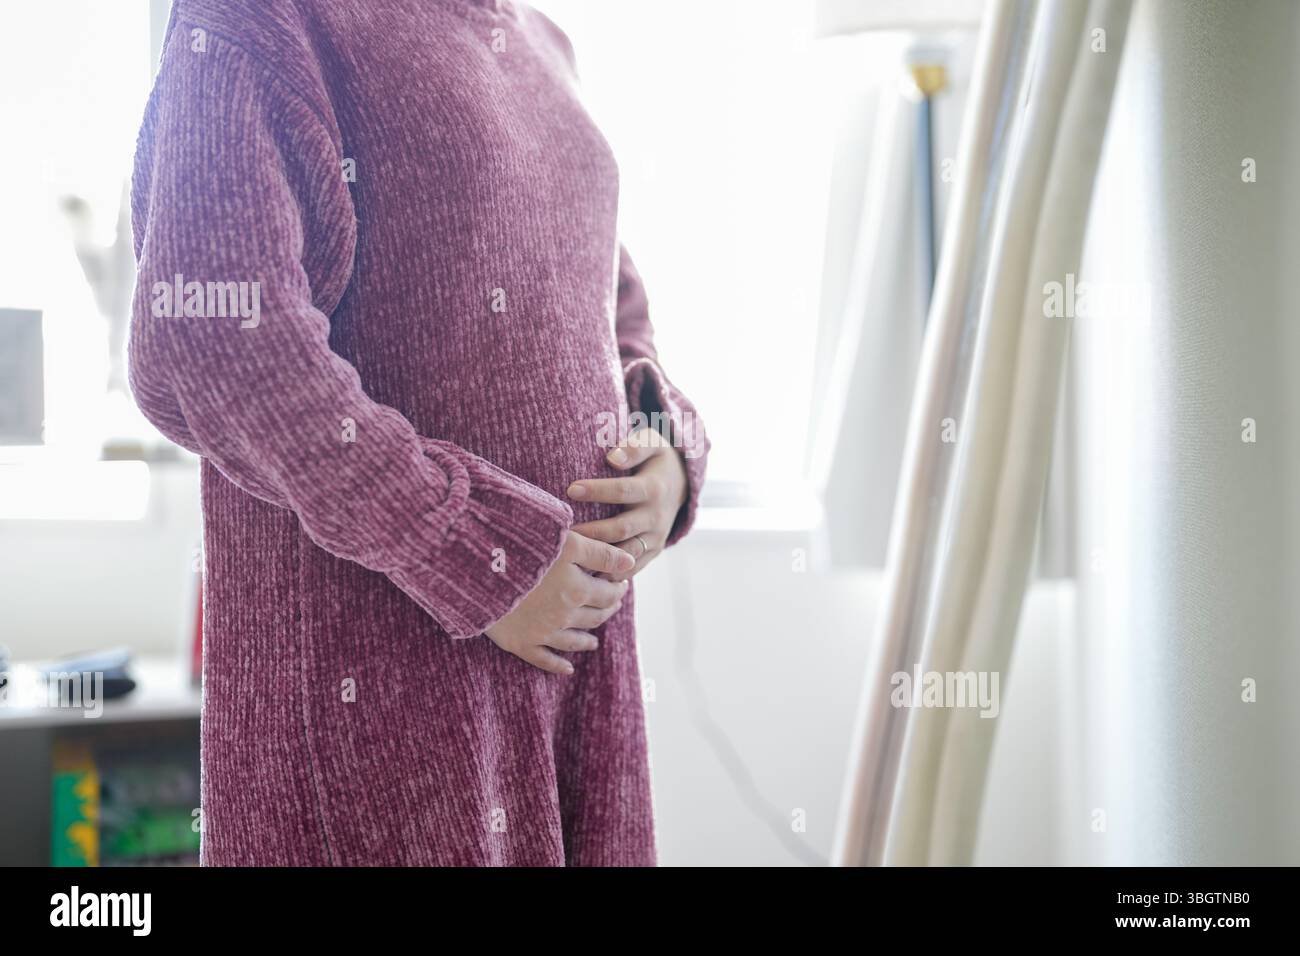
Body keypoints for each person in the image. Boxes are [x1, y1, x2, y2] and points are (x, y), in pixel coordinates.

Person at [128, 0, 708, 866]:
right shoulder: (262, 17)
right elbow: (218, 336)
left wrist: (665, 446)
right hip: (391, 688)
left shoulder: (543, 42)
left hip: (575, 673)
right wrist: (479, 553)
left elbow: (612, 311)